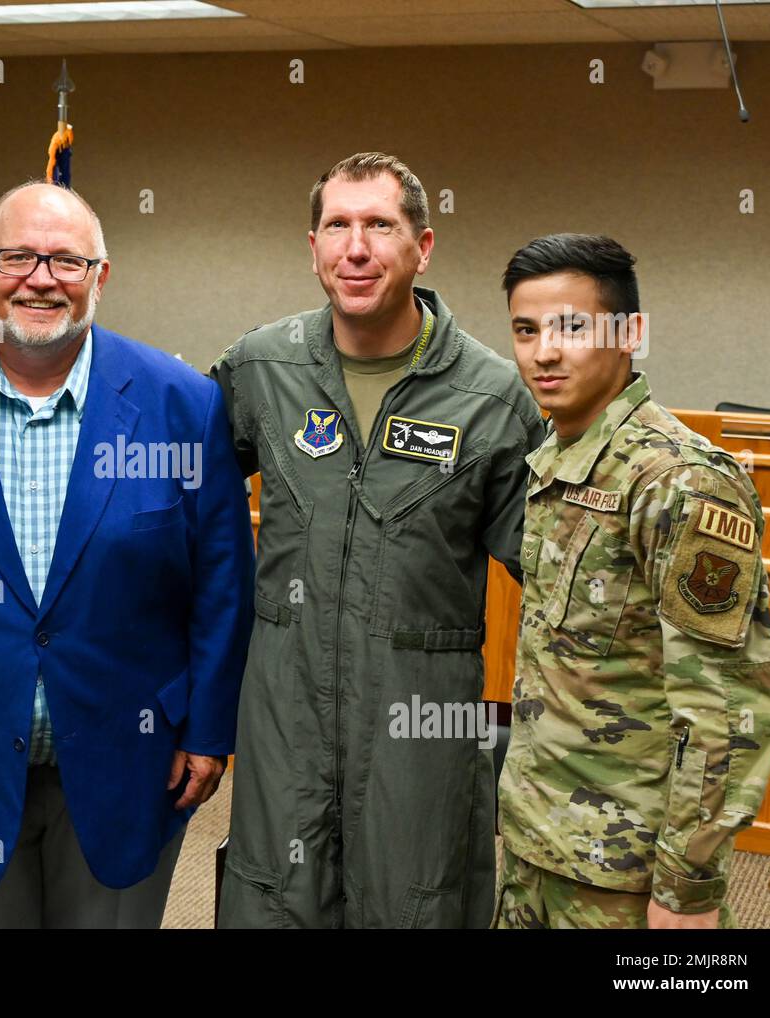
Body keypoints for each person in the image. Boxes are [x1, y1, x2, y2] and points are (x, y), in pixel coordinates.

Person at [0, 180, 254, 928]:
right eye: (17, 256)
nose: (40, 278)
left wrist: (207, 730)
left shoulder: (180, 404)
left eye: (66, 260)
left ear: (101, 277)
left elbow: (223, 581)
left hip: (130, 766)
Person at [211, 152, 544, 928]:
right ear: (314, 244)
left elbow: (555, 584)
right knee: (274, 897)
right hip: (284, 722)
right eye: (338, 226)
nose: (355, 248)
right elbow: (183, 523)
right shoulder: (261, 369)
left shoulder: (490, 398)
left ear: (422, 247)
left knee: (415, 906)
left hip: (420, 732)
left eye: (379, 226)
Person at [495, 233, 770, 929]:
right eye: (525, 330)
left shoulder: (678, 480)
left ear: (628, 336)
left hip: (625, 872)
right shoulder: (557, 463)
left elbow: (728, 707)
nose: (544, 352)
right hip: (540, 841)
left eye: (571, 326)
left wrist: (687, 892)